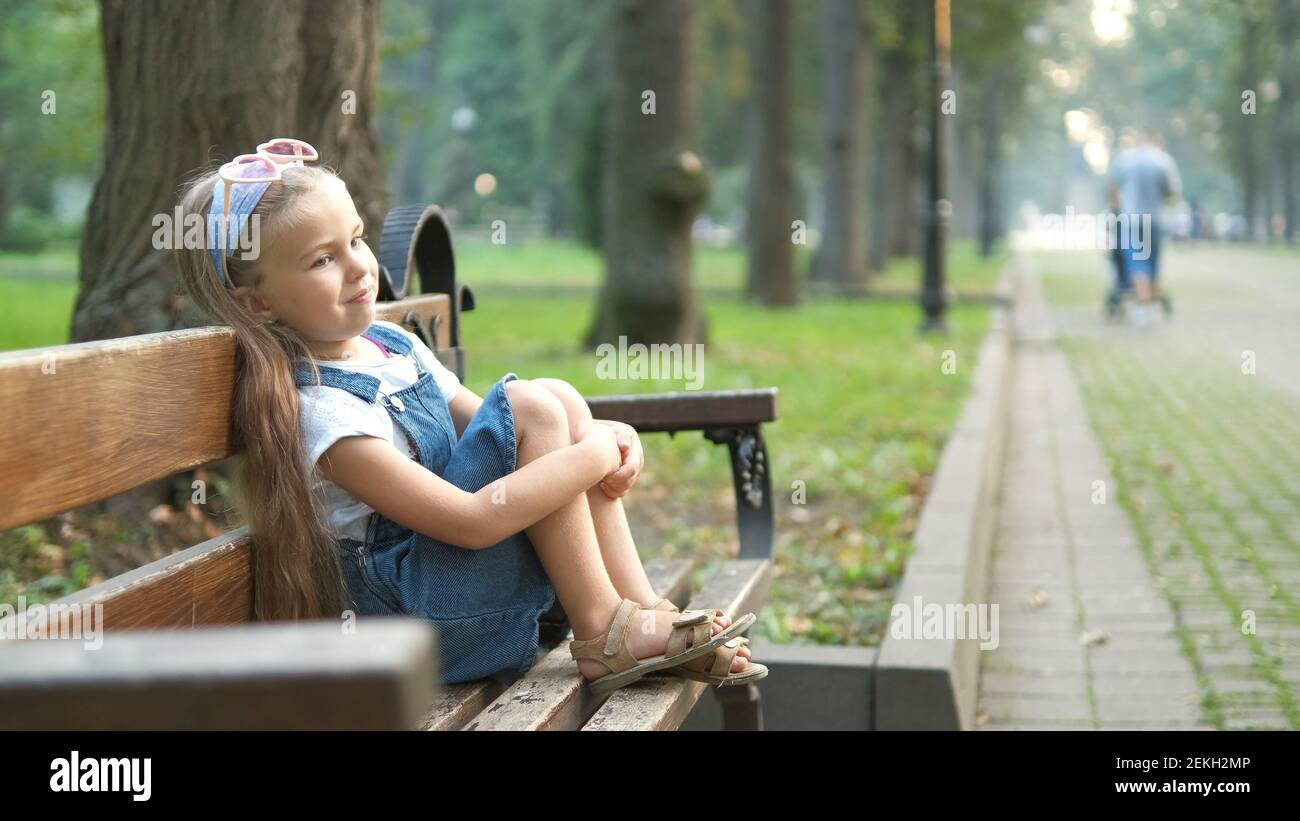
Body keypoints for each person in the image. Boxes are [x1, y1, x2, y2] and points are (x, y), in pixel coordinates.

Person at [172, 138, 765, 692]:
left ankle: (643, 616)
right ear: (259, 304)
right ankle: (604, 630)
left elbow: (527, 437)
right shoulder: (321, 413)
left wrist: (601, 435)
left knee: (553, 396)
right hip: (421, 627)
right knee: (536, 400)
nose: (358, 267)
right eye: (321, 260)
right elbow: (472, 522)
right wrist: (592, 457)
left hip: (462, 595)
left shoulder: (395, 347)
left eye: (355, 240)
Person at [1106, 127, 1181, 326]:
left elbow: (1113, 189)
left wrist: (1117, 209)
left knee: (1138, 265)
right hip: (1155, 219)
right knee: (1153, 265)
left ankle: (1143, 308)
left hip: (1132, 219)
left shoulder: (1125, 159)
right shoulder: (1163, 160)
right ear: (1156, 140)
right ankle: (1152, 306)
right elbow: (1172, 192)